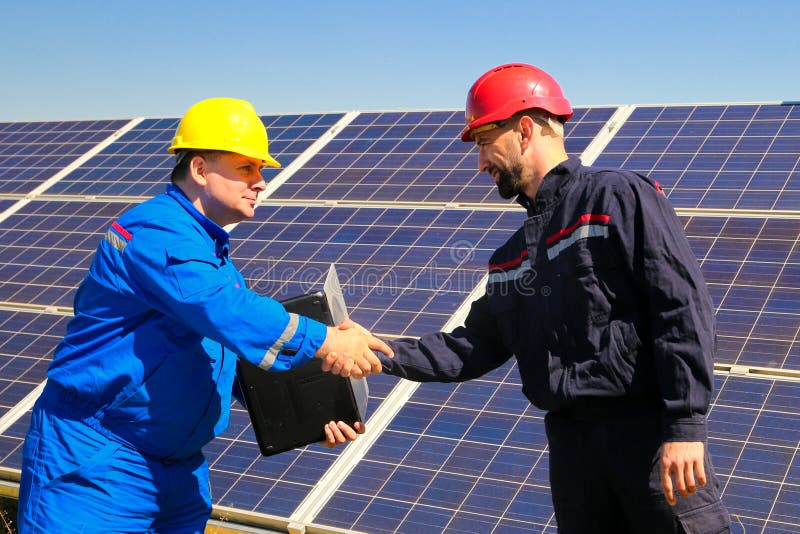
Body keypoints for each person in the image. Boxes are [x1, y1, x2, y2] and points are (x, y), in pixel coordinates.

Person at [357, 63, 731, 533]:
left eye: (483, 142)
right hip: (574, 457)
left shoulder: (618, 198)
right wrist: (373, 351)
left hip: (649, 442)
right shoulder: (511, 258)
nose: (480, 164)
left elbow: (681, 308)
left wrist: (686, 426)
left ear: (525, 129)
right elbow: (466, 348)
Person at [17, 97, 393, 533]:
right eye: (246, 169)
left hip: (177, 473)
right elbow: (222, 309)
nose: (261, 183)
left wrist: (313, 411)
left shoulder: (210, 254)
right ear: (199, 169)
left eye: (262, 171)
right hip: (98, 465)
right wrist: (330, 341)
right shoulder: (155, 232)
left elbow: (222, 352)